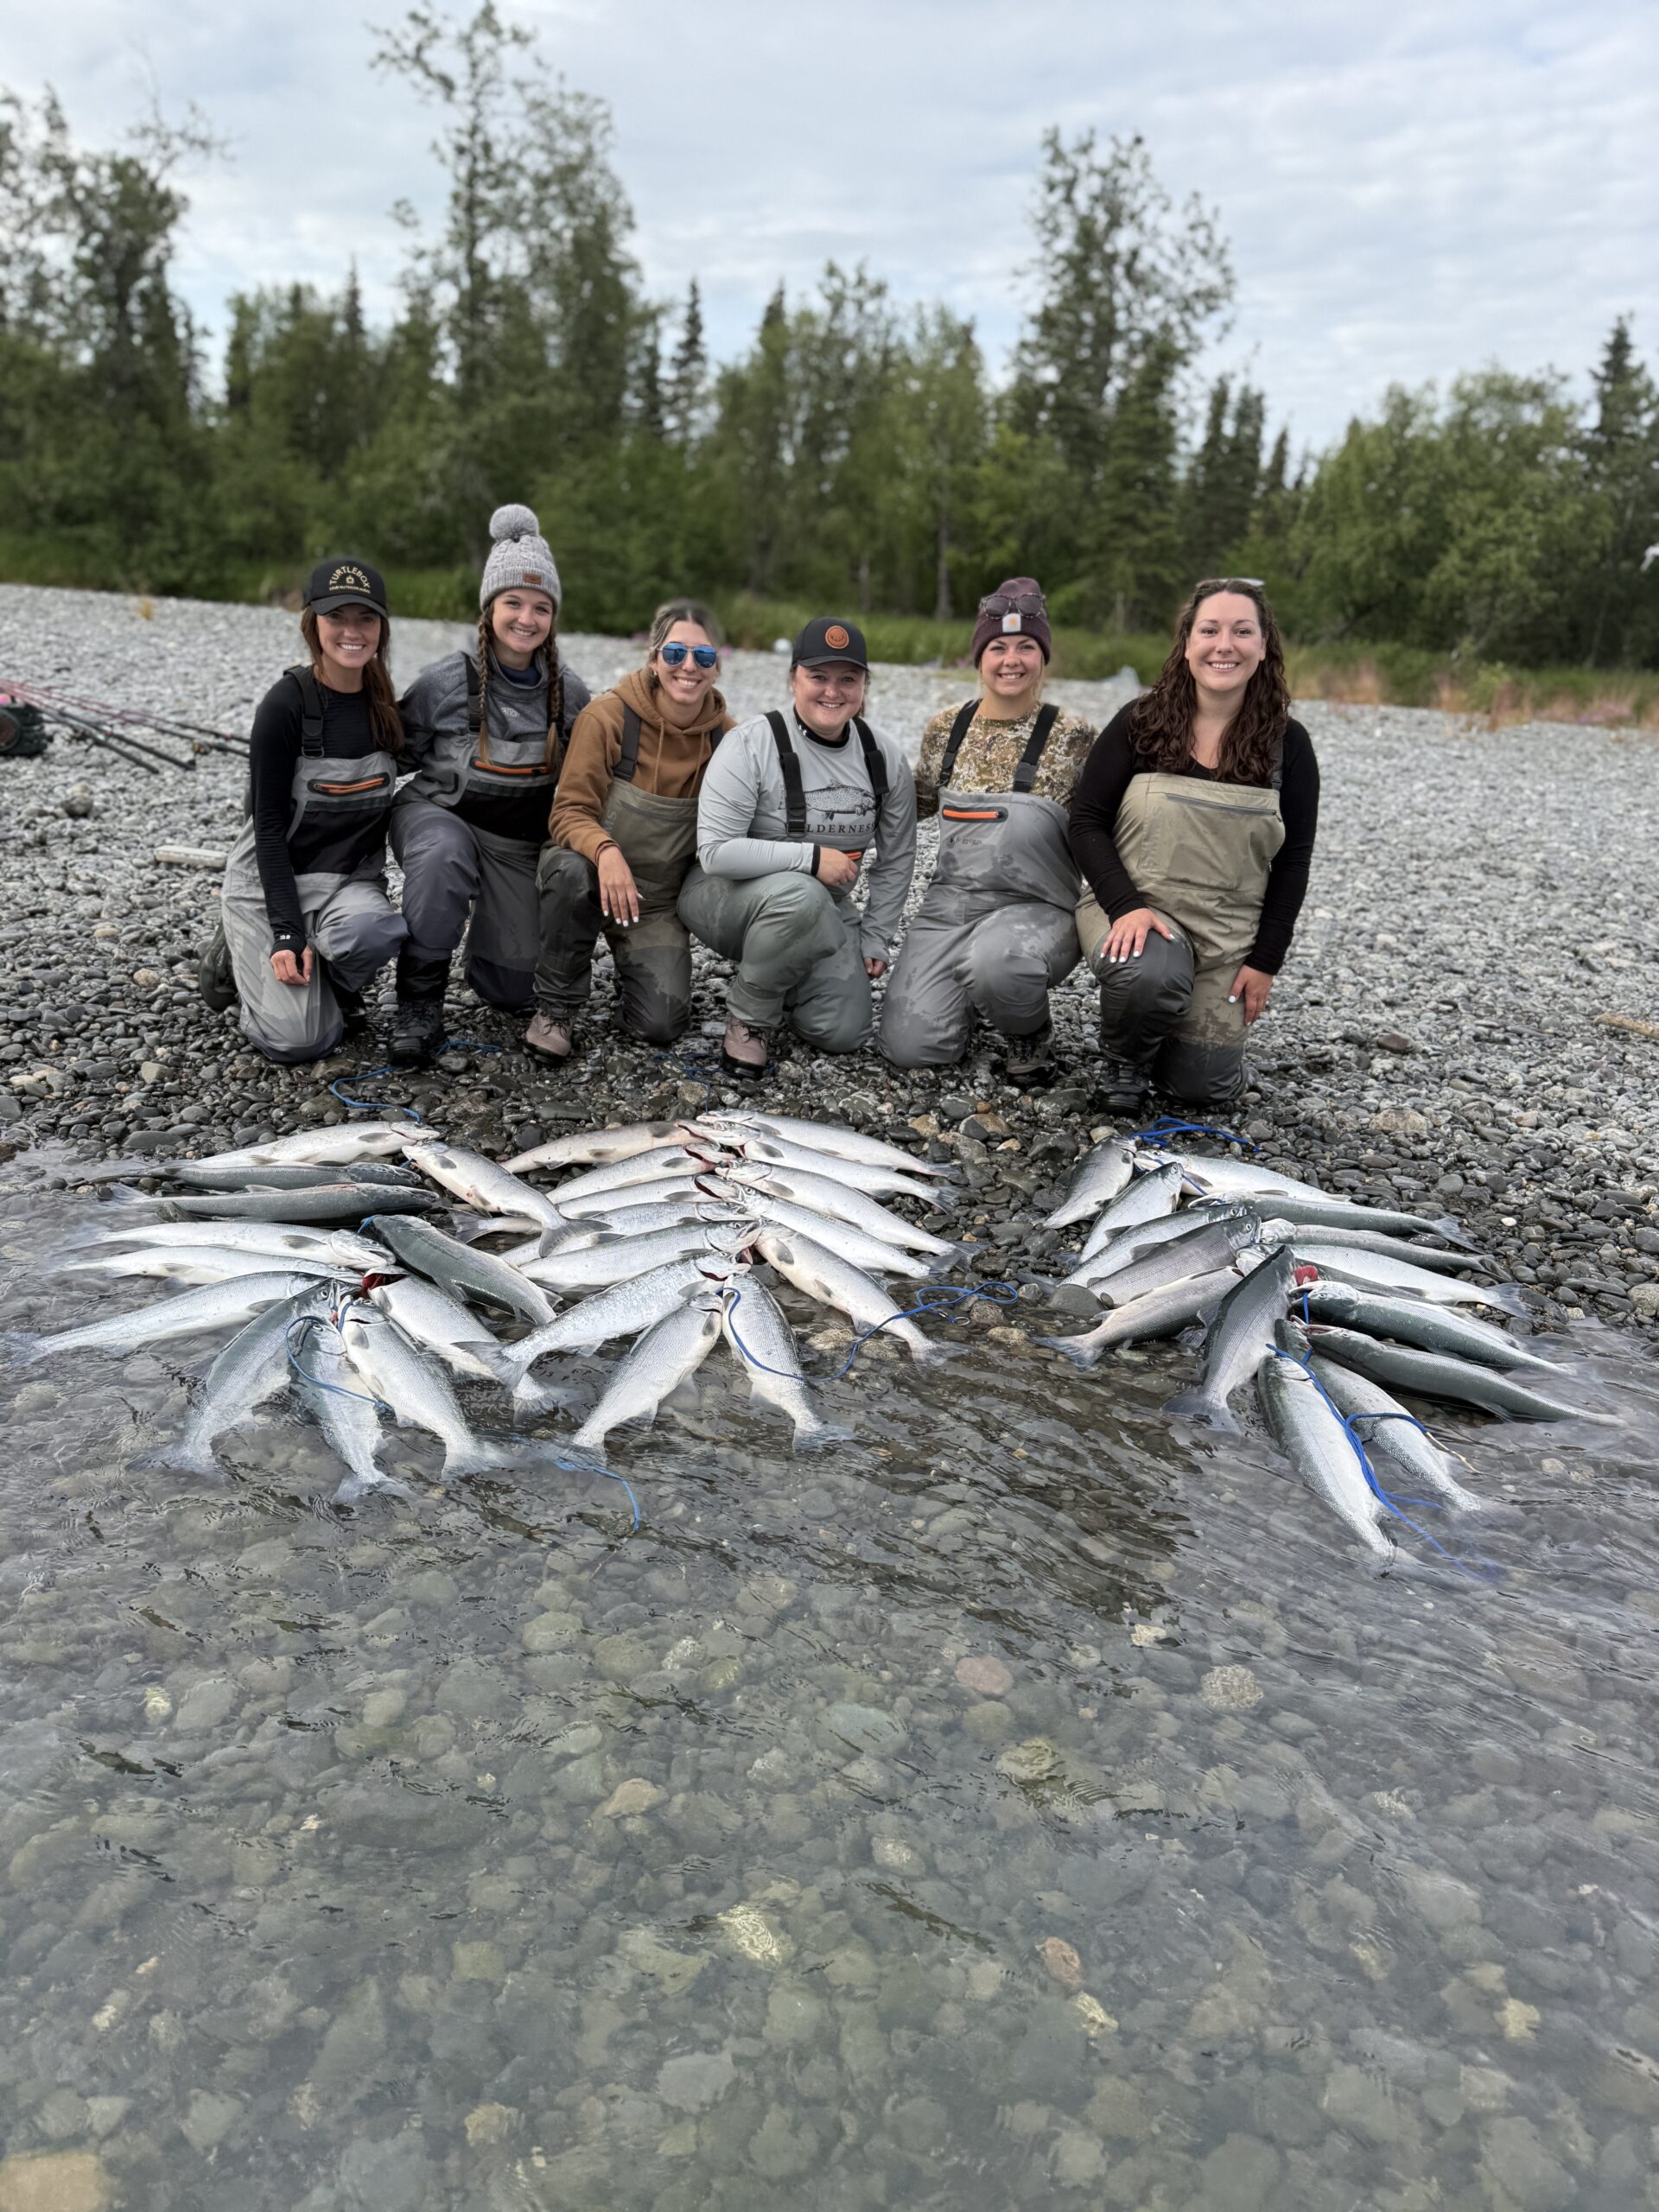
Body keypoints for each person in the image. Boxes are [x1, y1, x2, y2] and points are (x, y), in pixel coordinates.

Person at [1068, 576, 1319, 1115]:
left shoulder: (1288, 744)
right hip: (1135, 914)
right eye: (1210, 630)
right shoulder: (1140, 723)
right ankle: (1125, 1061)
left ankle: (1171, 1034)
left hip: (1228, 938)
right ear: (1187, 645)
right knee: (1150, 973)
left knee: (1203, 1090)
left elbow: (1293, 860)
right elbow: (1085, 820)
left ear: (1262, 647)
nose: (1223, 645)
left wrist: (1265, 960)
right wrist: (1126, 905)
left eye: (1241, 631)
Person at [387, 504, 590, 1066]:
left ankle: (486, 942)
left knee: (511, 992)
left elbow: (596, 780)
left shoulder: (569, 694)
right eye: (513, 603)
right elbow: (389, 755)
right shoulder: (445, 681)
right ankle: (418, 1003)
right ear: (489, 608)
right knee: (443, 855)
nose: (526, 618)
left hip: (514, 844)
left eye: (541, 607)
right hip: (439, 816)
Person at [879, 577, 1096, 1084]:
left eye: (1026, 647)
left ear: (1044, 657)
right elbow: (912, 806)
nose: (1011, 660)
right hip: (950, 906)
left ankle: (1028, 1034)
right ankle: (980, 999)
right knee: (911, 1048)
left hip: (1038, 909)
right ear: (979, 657)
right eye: (997, 647)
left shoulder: (1076, 737)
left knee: (999, 962)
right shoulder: (945, 728)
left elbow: (1105, 830)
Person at [679, 617, 917, 1077]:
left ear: (865, 684)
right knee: (803, 895)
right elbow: (715, 853)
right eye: (818, 677)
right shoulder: (750, 743)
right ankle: (749, 1018)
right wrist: (810, 859)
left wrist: (876, 936)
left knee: (842, 1033)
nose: (833, 691)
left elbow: (898, 856)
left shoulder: (884, 757)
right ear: (793, 679)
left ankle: (781, 971)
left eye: (848, 679)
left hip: (823, 911)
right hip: (720, 897)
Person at [202, 557, 408, 1064]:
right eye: (337, 617)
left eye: (366, 618)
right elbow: (268, 827)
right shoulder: (284, 705)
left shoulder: (387, 708)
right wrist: (288, 930)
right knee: (302, 1042)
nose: (351, 631)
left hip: (344, 886)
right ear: (313, 623)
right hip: (269, 886)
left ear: (381, 628)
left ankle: (328, 983)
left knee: (380, 928)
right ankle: (237, 956)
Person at [527, 601, 734, 1062]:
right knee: (570, 872)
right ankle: (556, 1009)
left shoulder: (728, 739)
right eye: (675, 652)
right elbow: (567, 813)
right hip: (589, 873)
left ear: (717, 666)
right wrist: (606, 852)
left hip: (654, 903)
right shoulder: (607, 717)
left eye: (703, 657)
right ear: (654, 658)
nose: (688, 666)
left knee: (661, 1025)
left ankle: (630, 978)